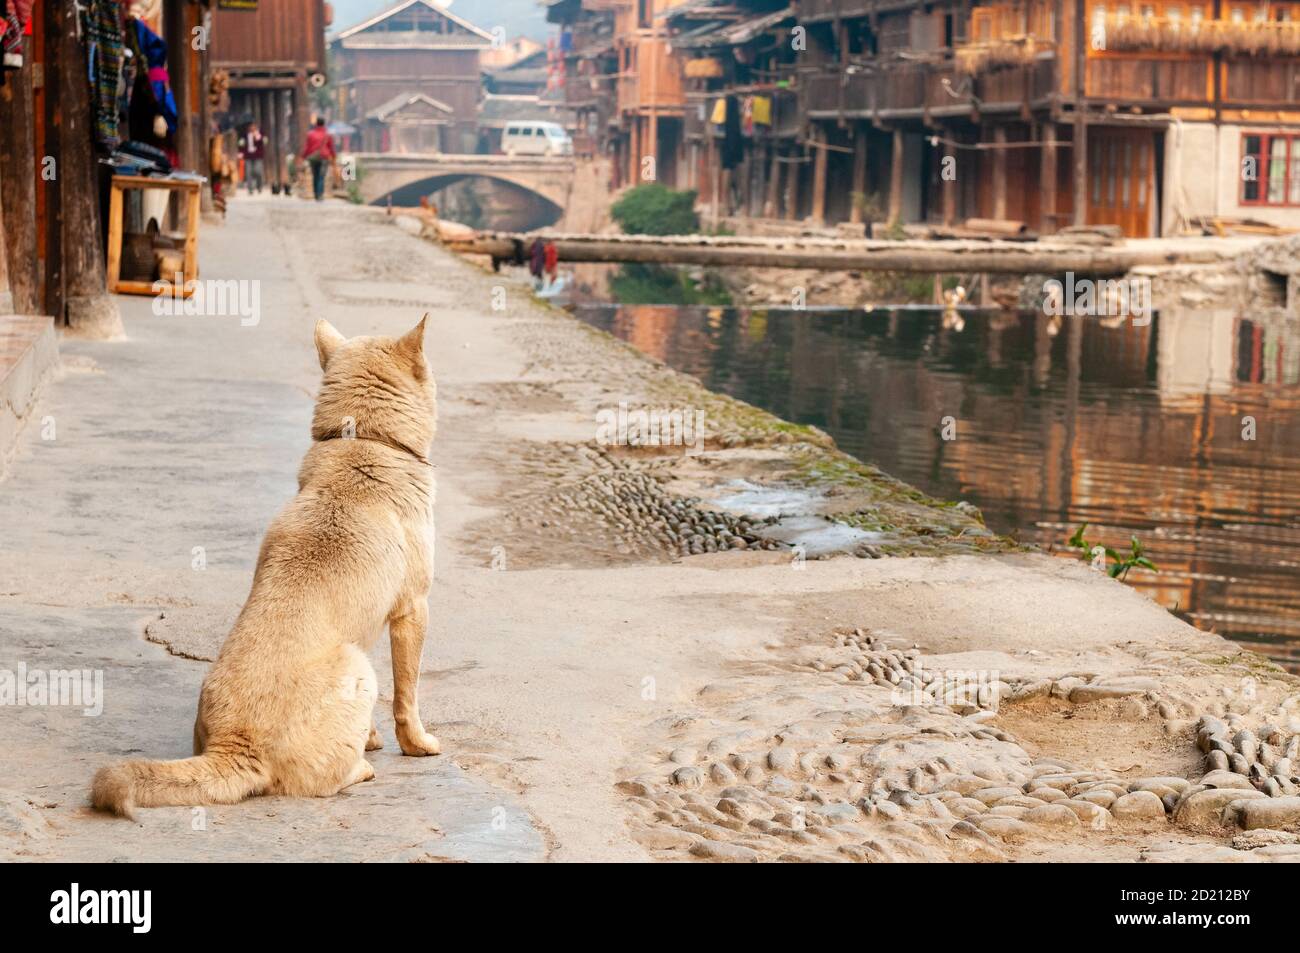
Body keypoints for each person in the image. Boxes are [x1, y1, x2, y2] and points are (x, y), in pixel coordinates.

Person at [302, 117, 336, 202]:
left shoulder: (310, 134)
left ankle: (316, 194)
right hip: (324, 157)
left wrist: (304, 156)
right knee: (321, 176)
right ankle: (320, 195)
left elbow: (307, 147)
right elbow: (331, 147)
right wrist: (334, 156)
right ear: (324, 124)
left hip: (313, 158)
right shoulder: (327, 135)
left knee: (315, 176)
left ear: (316, 124)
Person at [240, 122, 265, 193]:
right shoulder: (245, 135)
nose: (252, 128)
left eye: (253, 126)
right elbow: (241, 144)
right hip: (248, 156)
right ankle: (250, 189)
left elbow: (263, 142)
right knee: (248, 172)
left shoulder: (260, 134)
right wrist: (241, 152)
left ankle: (259, 186)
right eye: (251, 126)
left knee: (258, 171)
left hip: (258, 156)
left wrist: (257, 135)